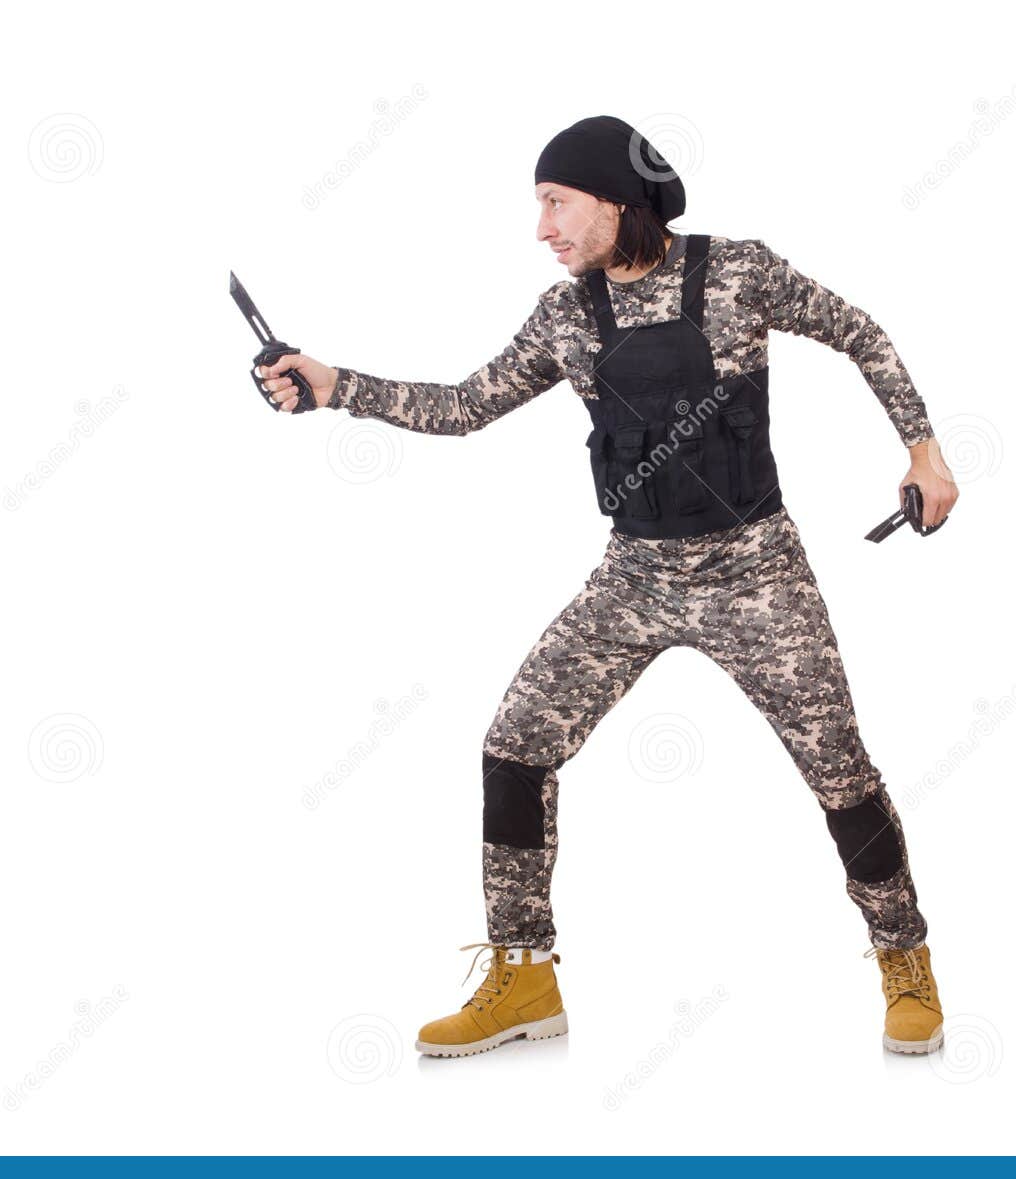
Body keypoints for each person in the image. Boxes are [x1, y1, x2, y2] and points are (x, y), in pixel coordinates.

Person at [251, 115, 955, 1058]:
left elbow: (857, 331)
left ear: (616, 203)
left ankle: (905, 960)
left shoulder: (738, 272)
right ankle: (525, 978)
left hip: (756, 573)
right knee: (515, 746)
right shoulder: (566, 317)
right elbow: (467, 408)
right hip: (635, 576)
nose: (541, 228)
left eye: (555, 202)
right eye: (538, 206)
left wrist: (924, 450)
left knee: (840, 772)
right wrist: (336, 384)